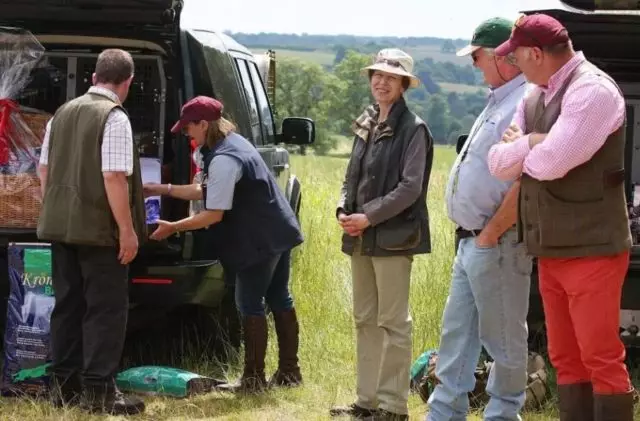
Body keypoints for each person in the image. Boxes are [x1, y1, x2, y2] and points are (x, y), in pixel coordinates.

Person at [487, 13, 635, 421]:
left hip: (593, 248)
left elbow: (553, 163)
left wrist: (529, 146)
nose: (513, 66)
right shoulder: (533, 95)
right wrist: (535, 142)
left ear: (536, 53)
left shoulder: (593, 90)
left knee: (600, 357)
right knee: (565, 358)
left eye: (515, 58)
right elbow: (498, 163)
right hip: (551, 248)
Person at [143, 96, 304, 393]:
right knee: (280, 296)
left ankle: (253, 381)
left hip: (258, 239)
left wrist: (173, 227)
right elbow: (204, 189)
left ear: (204, 124)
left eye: (189, 128)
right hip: (278, 230)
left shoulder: (225, 159)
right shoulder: (232, 143)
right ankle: (289, 373)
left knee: (249, 302)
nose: (187, 133)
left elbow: (213, 214)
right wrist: (160, 188)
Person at [426, 17, 532, 421]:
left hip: (497, 240)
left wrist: (490, 232)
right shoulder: (500, 98)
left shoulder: (525, 101)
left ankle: (504, 415)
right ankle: (444, 413)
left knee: (503, 339)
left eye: (476, 56)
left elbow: (526, 181)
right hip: (473, 240)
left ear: (501, 56)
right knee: (456, 336)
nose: (473, 65)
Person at [36, 48, 146, 415]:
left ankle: (64, 389)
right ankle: (99, 393)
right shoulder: (114, 117)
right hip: (99, 232)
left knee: (66, 307)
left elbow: (43, 171)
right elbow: (113, 176)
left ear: (94, 77)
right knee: (105, 310)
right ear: (127, 82)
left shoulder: (61, 114)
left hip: (60, 228)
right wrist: (127, 231)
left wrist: (55, 208)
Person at [330, 48, 433, 421]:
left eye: (391, 77)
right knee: (364, 319)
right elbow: (350, 178)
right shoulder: (367, 122)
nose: (381, 81)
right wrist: (343, 209)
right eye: (377, 74)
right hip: (360, 236)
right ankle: (366, 402)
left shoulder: (415, 129)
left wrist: (367, 217)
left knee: (393, 322)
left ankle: (392, 407)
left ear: (404, 84)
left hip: (393, 239)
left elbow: (410, 188)